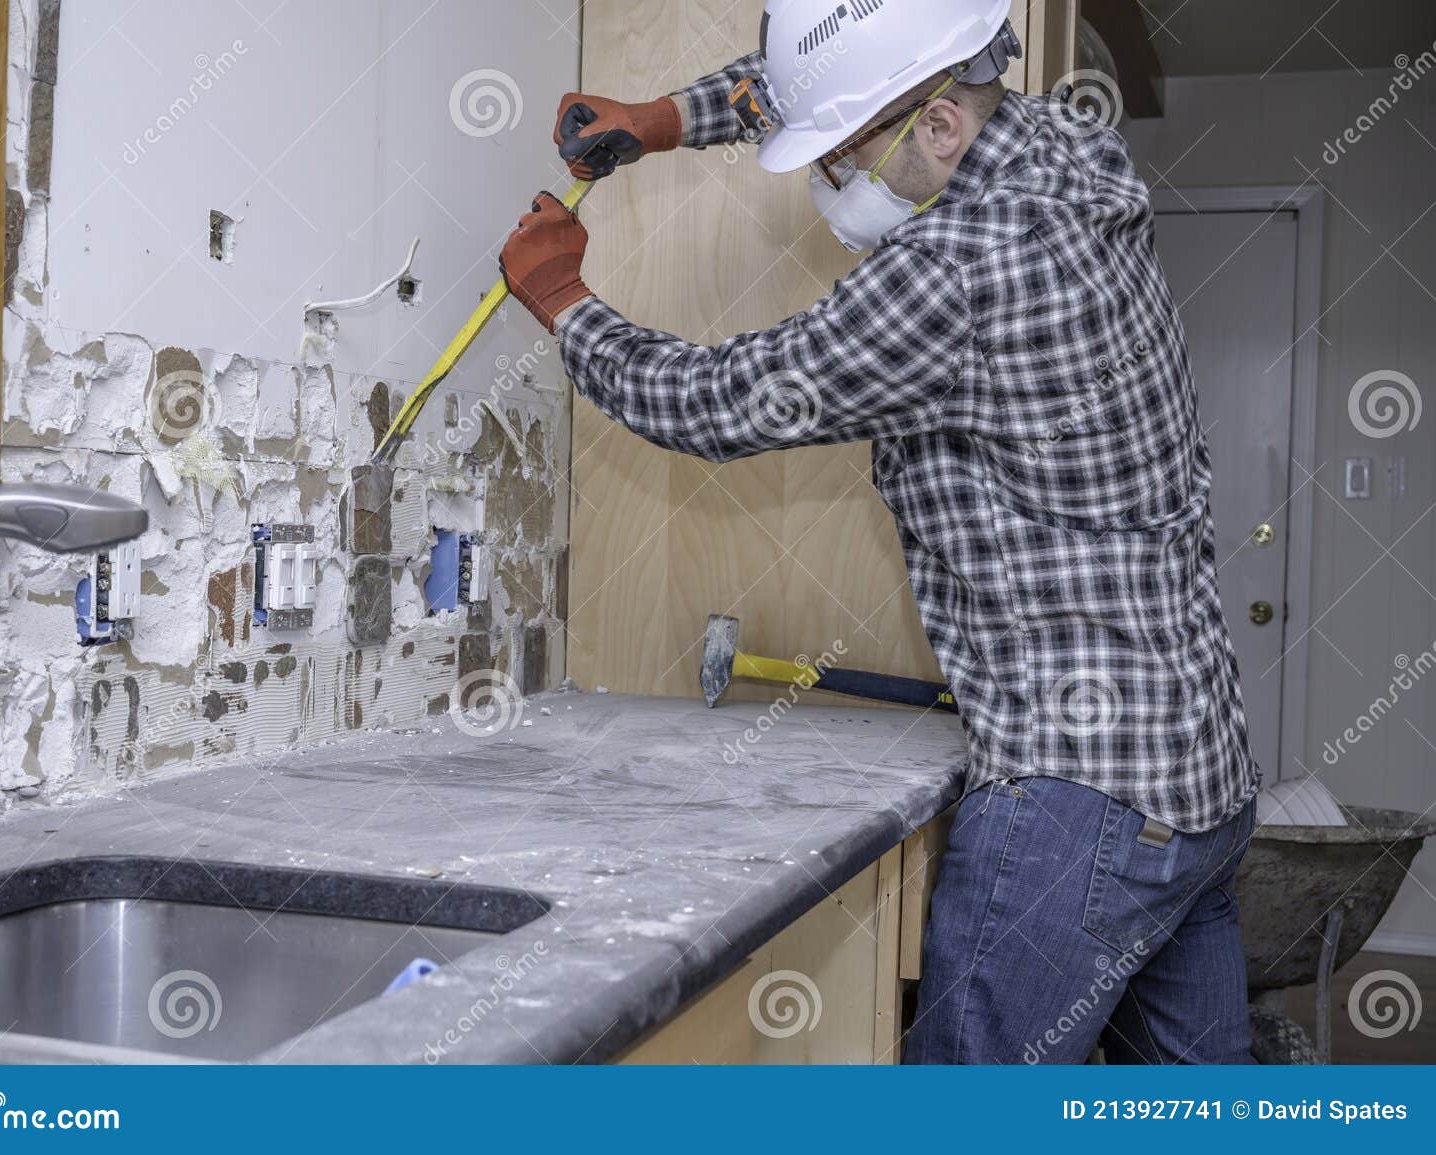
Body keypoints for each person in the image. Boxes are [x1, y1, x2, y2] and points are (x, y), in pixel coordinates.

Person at [500, 0, 1260, 1064]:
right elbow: (836, 80)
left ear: (939, 129)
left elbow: (723, 401)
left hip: (1075, 801)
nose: (835, 179)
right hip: (1199, 777)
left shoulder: (957, 271)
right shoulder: (1057, 140)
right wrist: (668, 118)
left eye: (850, 155)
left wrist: (563, 301)